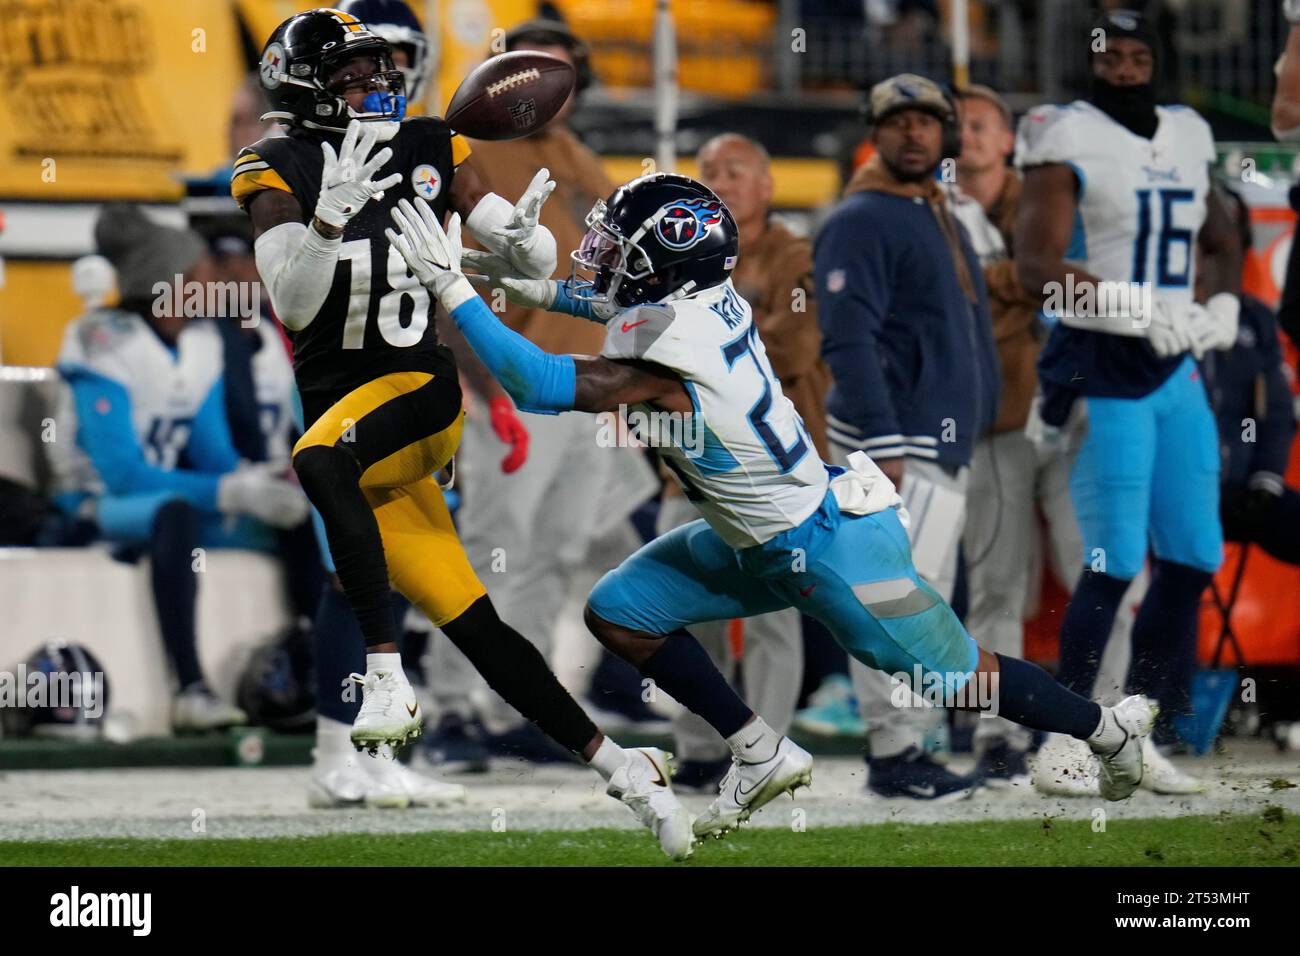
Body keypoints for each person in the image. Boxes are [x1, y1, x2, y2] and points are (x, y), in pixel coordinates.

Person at [385, 170, 1162, 839]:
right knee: (620, 612)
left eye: (620, 249)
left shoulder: (664, 359)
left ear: (664, 267)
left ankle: (1105, 727)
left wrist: (456, 290)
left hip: (830, 547)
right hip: (757, 535)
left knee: (958, 678)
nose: (601, 257)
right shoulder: (706, 296)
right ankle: (760, 750)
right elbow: (629, 309)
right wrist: (544, 289)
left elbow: (537, 383)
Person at [232, 8, 699, 859]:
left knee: (316, 459)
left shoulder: (424, 143)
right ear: (306, 84)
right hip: (361, 432)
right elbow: (295, 306)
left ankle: (384, 679)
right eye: (355, 72)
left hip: (418, 393)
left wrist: (520, 246)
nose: (378, 83)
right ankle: (627, 772)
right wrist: (327, 221)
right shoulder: (275, 166)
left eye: (383, 69)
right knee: (479, 628)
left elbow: (518, 261)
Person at [1014, 9, 1242, 796]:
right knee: (1111, 561)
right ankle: (1066, 740)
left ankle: (1140, 727)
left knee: (1192, 557)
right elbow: (1034, 269)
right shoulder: (1060, 130)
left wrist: (1224, 302)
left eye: (1140, 55)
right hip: (1107, 366)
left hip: (1177, 369)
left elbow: (1221, 232)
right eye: (1111, 57)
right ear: (1090, 62)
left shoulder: (1186, 131)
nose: (1125, 69)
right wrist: (1135, 303)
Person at [422, 16, 652, 766]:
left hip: (587, 385)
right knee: (493, 546)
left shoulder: (574, 154)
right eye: (531, 72)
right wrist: (484, 387)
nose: (545, 88)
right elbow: (438, 277)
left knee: (554, 553)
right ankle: (451, 708)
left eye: (559, 72)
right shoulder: (469, 151)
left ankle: (514, 708)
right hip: (511, 385)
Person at [52, 204, 309, 732]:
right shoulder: (101, 339)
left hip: (175, 500)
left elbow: (212, 450)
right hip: (100, 503)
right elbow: (122, 472)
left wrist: (259, 482)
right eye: (201, 272)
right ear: (171, 283)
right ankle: (190, 687)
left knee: (304, 516)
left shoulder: (201, 343)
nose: (216, 279)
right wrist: (229, 493)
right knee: (175, 514)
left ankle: (316, 669)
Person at [814, 73, 1000, 800]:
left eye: (928, 121)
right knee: (894, 595)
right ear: (875, 132)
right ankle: (895, 750)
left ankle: (911, 745)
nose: (914, 133)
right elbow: (847, 338)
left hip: (932, 439)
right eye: (899, 122)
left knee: (920, 595)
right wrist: (882, 439)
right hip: (897, 442)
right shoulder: (863, 217)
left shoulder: (932, 209)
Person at [650, 132, 820, 791]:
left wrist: (701, 358)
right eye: (710, 171)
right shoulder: (674, 252)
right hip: (689, 465)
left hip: (768, 471)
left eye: (736, 170)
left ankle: (769, 749)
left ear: (770, 185)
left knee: (775, 617)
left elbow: (797, 345)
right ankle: (699, 748)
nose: (722, 180)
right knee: (687, 612)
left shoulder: (791, 252)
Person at [949, 85, 1090, 789]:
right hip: (994, 418)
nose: (965, 137)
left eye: (979, 126)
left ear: (1008, 139)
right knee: (995, 584)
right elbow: (961, 300)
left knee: (1096, 566)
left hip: (1071, 415)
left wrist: (1002, 286)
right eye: (958, 127)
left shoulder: (1052, 195)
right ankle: (995, 733)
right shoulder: (937, 207)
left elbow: (1059, 287)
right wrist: (1021, 285)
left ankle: (1115, 716)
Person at [1201, 190, 1300, 566]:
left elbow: (1271, 415)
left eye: (1231, 247)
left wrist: (1264, 480)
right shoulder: (1157, 314)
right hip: (1172, 492)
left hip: (1239, 486)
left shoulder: (1255, 321)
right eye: (1211, 247)